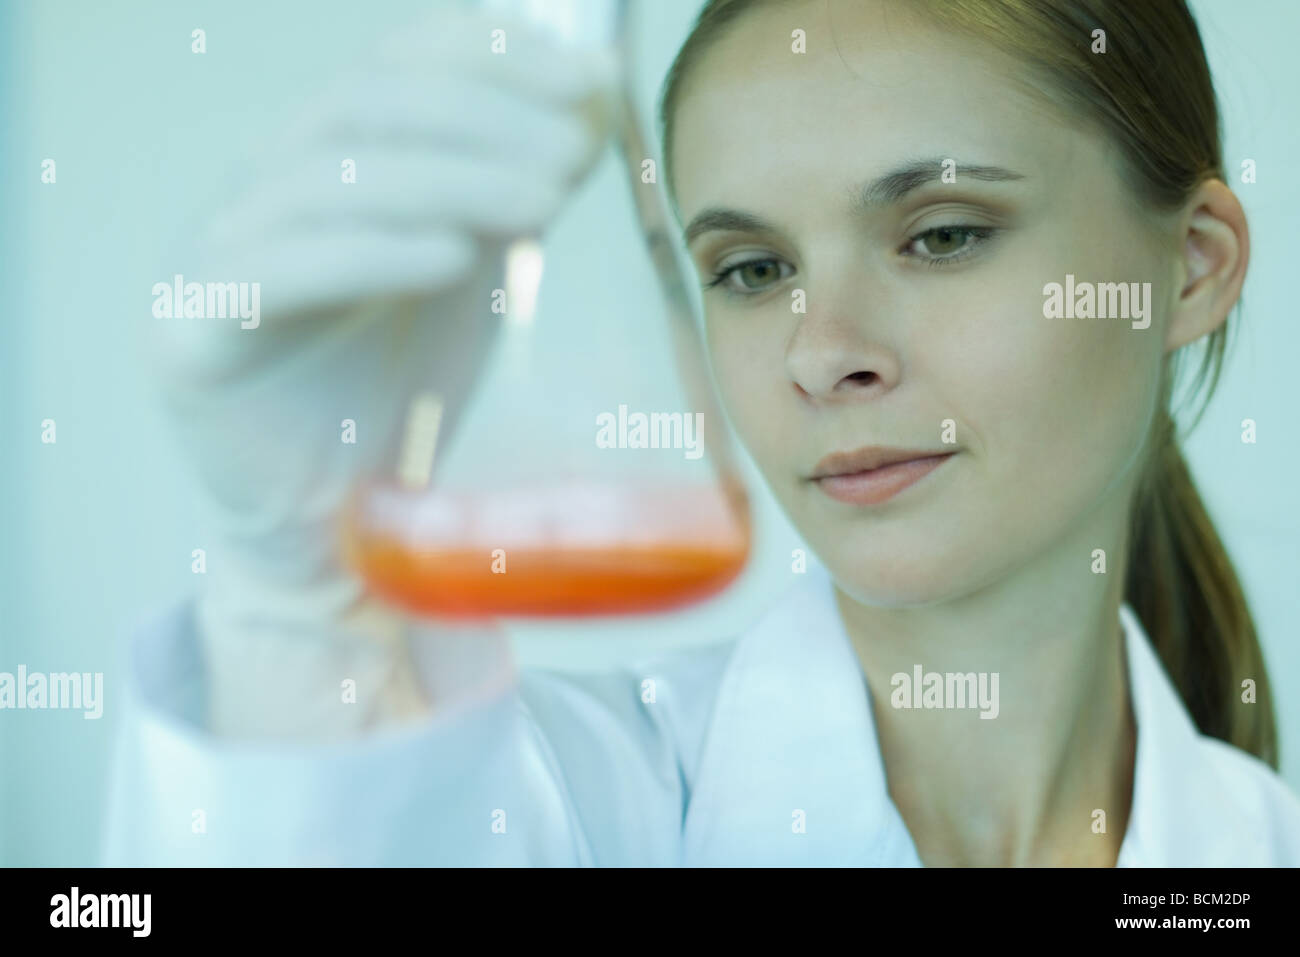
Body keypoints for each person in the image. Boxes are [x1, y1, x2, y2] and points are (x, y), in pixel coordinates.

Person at [104, 0, 1300, 866]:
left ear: (1188, 270)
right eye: (752, 267)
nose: (820, 350)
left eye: (941, 234)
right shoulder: (570, 803)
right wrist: (298, 604)